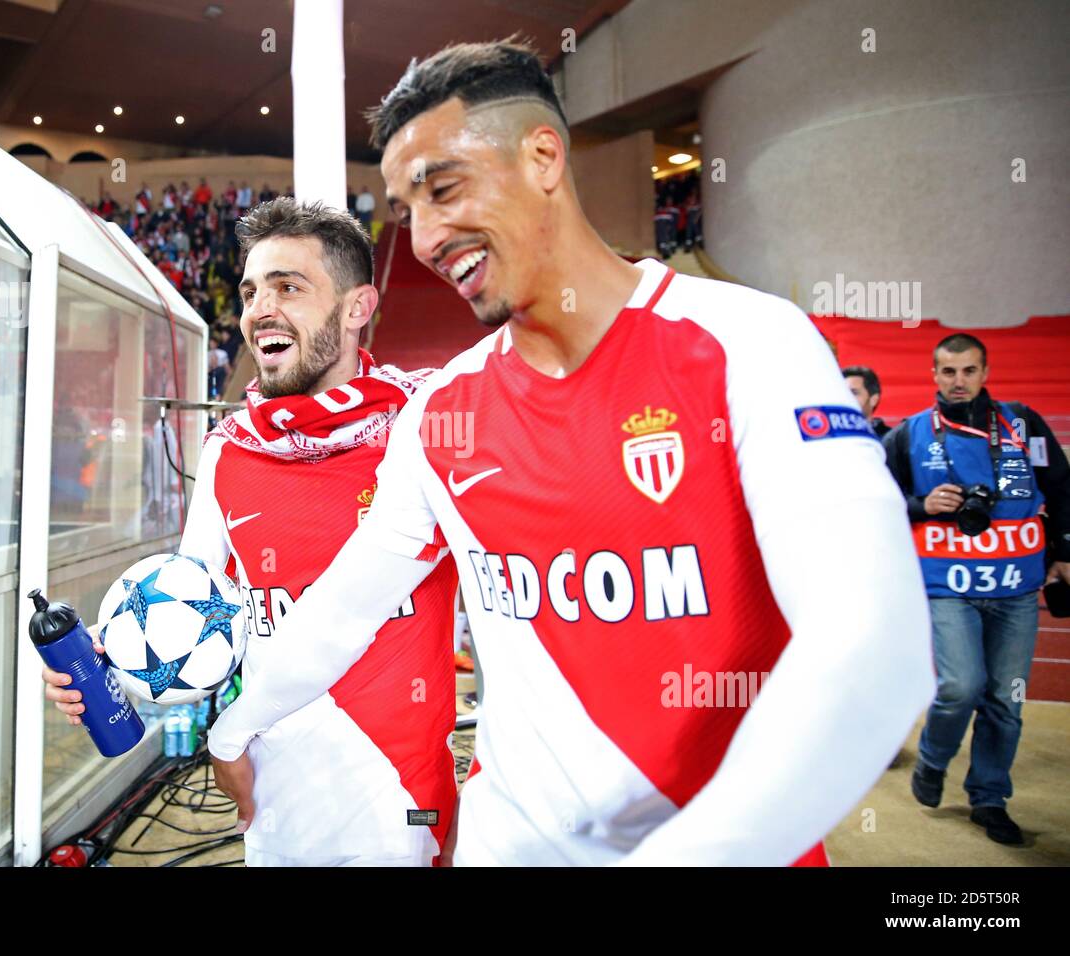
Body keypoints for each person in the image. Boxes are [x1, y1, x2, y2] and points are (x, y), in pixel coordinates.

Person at [206, 38, 935, 866]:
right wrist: (237, 723)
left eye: (445, 188)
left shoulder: (751, 343)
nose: (429, 236)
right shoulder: (443, 412)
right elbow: (342, 609)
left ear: (543, 157)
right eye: (409, 212)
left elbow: (876, 651)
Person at [44, 199, 460, 867]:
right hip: (270, 806)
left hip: (399, 808)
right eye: (249, 290)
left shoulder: (425, 426)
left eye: (288, 287)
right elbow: (192, 627)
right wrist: (113, 662)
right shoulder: (227, 451)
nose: (258, 308)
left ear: (357, 308)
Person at [881, 332, 1070, 845]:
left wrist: (1067, 552)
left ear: (984, 373)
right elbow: (874, 499)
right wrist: (922, 505)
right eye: (948, 371)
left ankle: (989, 796)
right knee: (961, 686)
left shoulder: (1023, 424)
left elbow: (1061, 487)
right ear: (934, 375)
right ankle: (934, 760)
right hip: (949, 589)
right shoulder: (910, 434)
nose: (958, 381)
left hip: (1016, 591)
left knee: (1006, 700)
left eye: (968, 371)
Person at [843, 365, 890, 437]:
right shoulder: (827, 437)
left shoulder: (891, 440)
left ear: (873, 400)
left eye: (854, 393)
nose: (846, 398)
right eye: (843, 393)